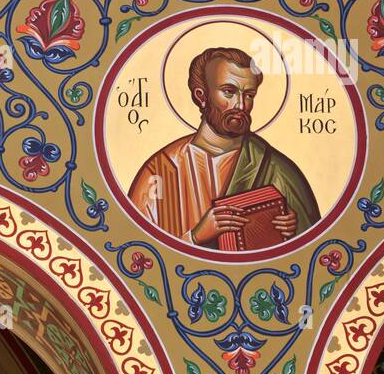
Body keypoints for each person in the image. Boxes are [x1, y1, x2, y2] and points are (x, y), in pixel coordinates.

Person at [127, 46, 319, 247]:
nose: (241, 105)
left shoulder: (274, 167)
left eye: (249, 95)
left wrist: (291, 228)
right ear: (201, 96)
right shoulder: (161, 170)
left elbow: (311, 249)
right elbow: (138, 255)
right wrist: (195, 237)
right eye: (229, 92)